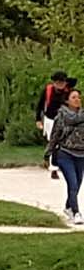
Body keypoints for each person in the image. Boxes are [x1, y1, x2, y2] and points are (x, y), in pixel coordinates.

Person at [46, 89, 84, 225]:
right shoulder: (61, 116)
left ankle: (68, 207)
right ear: (67, 101)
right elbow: (55, 135)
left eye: (78, 97)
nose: (77, 99)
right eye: (74, 97)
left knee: (78, 183)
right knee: (72, 183)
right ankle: (76, 212)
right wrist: (48, 153)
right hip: (65, 153)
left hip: (81, 154)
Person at [37, 71, 69, 180]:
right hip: (50, 119)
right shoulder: (48, 90)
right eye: (59, 82)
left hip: (64, 120)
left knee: (63, 143)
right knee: (53, 143)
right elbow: (40, 105)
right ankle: (53, 169)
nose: (61, 85)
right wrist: (38, 119)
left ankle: (60, 163)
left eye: (63, 82)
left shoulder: (67, 92)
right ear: (54, 82)